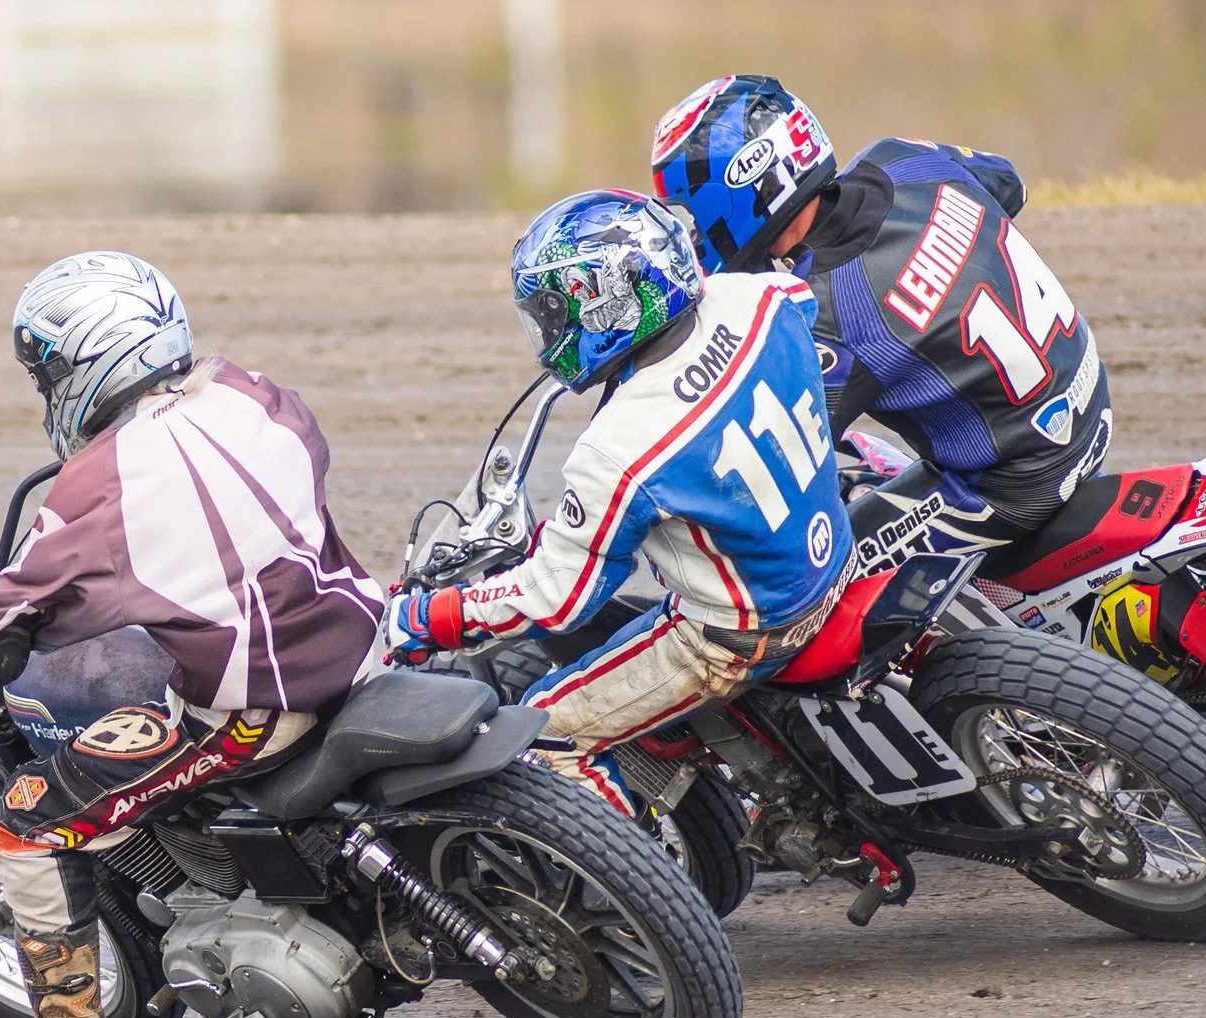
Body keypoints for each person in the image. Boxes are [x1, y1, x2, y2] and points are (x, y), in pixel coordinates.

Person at [0, 251, 386, 1018]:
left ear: (85, 361)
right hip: (364, 631)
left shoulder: (96, 487)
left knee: (23, 818)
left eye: (47, 367)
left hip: (254, 706)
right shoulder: (253, 391)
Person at [385, 189, 852, 817]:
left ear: (606, 302)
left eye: (554, 312)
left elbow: (561, 598)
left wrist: (430, 616)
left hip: (745, 630)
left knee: (544, 734)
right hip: (835, 556)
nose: (549, 331)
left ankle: (639, 889)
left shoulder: (617, 447)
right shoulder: (760, 297)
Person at [650, 74, 1111, 555]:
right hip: (1088, 401)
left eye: (690, 210)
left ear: (740, 190)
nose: (694, 230)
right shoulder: (899, 158)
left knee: (818, 581)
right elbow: (1007, 183)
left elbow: (779, 470)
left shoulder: (827, 313)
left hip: (1019, 483)